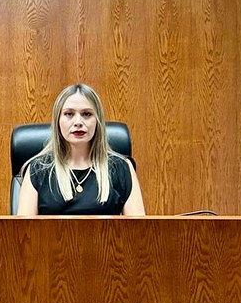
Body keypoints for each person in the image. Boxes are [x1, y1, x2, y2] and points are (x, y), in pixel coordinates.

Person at [17, 83, 145, 216]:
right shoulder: (37, 170)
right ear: (58, 121)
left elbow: (138, 232)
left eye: (86, 114)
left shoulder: (121, 168)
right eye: (69, 114)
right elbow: (25, 233)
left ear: (97, 121)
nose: (78, 122)